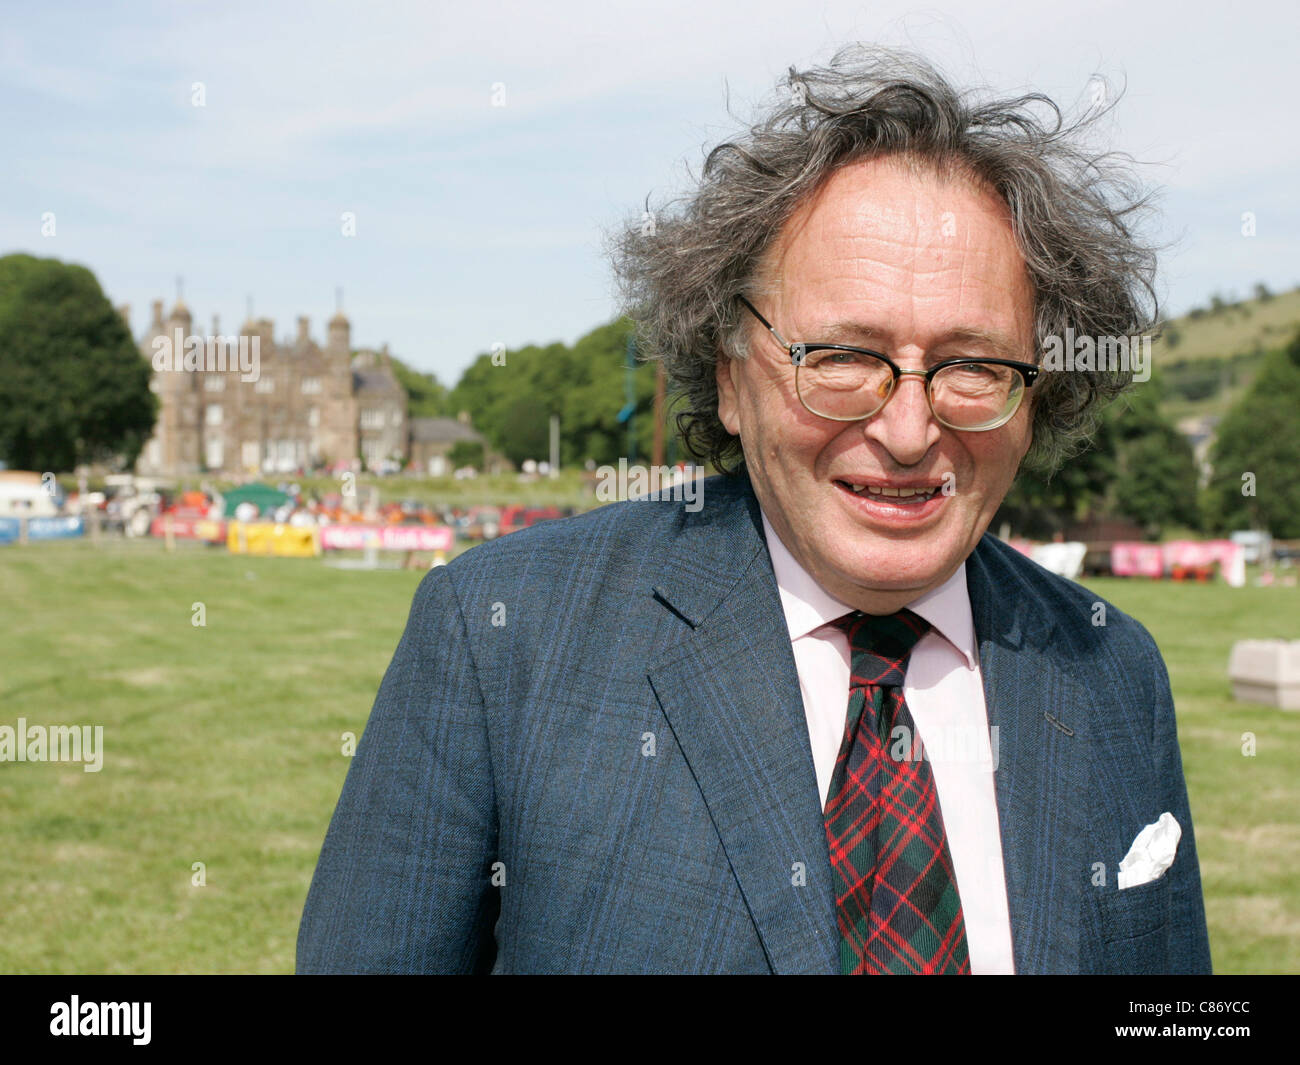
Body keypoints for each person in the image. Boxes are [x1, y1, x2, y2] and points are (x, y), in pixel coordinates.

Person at [297, 46, 1211, 974]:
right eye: (841, 356)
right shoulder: (502, 637)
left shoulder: (1110, 667)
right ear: (732, 378)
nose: (905, 430)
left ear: (1040, 392)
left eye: (971, 365)